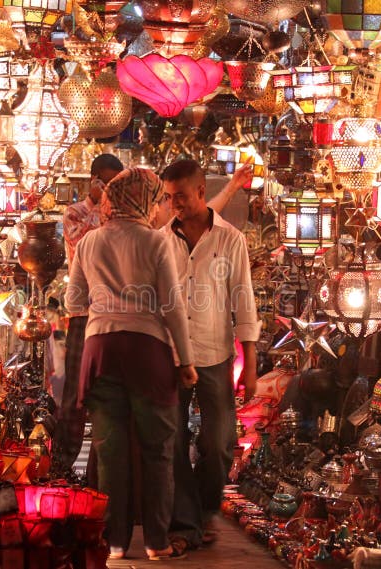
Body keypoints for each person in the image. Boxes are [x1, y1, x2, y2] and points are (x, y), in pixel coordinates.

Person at [66, 168, 198, 561]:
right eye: (160, 200)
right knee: (157, 449)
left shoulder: (89, 242)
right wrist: (186, 360)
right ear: (144, 201)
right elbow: (172, 306)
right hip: (147, 352)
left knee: (109, 451)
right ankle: (157, 541)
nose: (163, 209)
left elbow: (74, 300)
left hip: (100, 349)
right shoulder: (155, 243)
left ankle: (116, 543)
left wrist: (105, 307)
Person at [160, 159, 261, 552]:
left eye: (181, 197)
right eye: (169, 199)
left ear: (201, 192)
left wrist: (250, 367)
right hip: (169, 355)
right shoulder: (161, 239)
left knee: (219, 444)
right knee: (172, 440)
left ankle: (200, 513)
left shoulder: (230, 240)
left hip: (215, 355)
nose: (175, 206)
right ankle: (185, 525)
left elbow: (244, 302)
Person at [55, 154, 124, 472]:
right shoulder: (75, 212)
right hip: (83, 312)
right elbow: (83, 241)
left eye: (116, 184)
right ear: (95, 179)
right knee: (75, 393)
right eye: (107, 182)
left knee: (109, 392)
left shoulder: (121, 215)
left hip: (113, 312)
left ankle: (101, 471)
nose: (112, 188)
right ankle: (63, 465)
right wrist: (99, 205)